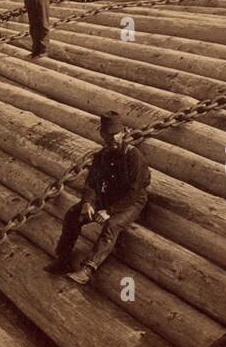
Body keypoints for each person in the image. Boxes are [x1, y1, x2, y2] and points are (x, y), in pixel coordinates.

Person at [45, 112, 151, 285]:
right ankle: (63, 259)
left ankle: (87, 270)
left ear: (123, 132)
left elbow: (134, 192)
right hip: (110, 197)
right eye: (109, 135)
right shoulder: (102, 156)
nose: (113, 138)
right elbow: (92, 183)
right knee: (73, 214)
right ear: (102, 135)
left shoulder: (134, 157)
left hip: (132, 201)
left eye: (116, 133)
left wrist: (109, 211)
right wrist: (88, 203)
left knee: (112, 224)